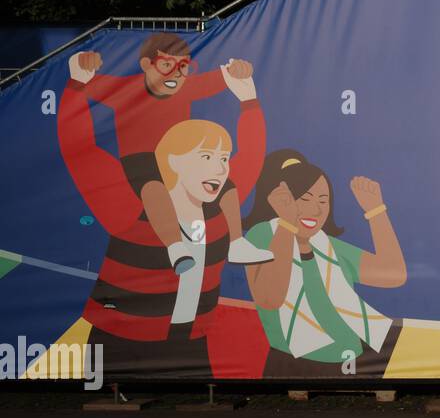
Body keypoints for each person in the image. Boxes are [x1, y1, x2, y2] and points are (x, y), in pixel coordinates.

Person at [56, 66, 266, 379]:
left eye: (224, 158)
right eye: (206, 157)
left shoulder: (220, 213)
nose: (221, 168)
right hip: (119, 340)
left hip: (190, 343)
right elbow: (81, 150)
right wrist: (76, 87)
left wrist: (248, 98)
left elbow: (251, 155)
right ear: (173, 161)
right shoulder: (129, 208)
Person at [67, 33, 272, 273]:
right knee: (154, 188)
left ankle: (236, 243)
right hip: (140, 161)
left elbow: (227, 75)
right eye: (167, 65)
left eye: (183, 67)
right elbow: (86, 81)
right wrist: (81, 65)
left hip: (180, 158)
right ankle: (176, 248)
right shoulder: (125, 90)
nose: (176, 74)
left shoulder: (185, 87)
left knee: (224, 183)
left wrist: (238, 69)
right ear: (146, 65)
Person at [243, 149, 407, 377]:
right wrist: (287, 224)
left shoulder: (327, 246)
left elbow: (394, 274)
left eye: (323, 200)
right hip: (294, 361)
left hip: (354, 360)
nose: (316, 209)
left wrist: (375, 211)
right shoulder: (263, 234)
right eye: (305, 199)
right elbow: (270, 298)